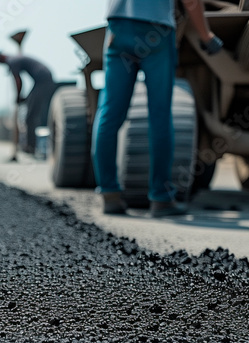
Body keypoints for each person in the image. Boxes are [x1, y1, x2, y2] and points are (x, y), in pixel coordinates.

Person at [92, 0, 222, 216]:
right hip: (156, 29)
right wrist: (206, 36)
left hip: (118, 26)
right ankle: (161, 198)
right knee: (159, 115)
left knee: (109, 114)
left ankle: (110, 195)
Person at [0, 50, 56, 158]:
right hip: (42, 80)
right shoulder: (15, 59)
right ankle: (29, 146)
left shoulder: (12, 61)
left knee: (30, 117)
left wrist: (18, 96)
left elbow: (18, 81)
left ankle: (31, 148)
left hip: (43, 81)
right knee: (30, 111)